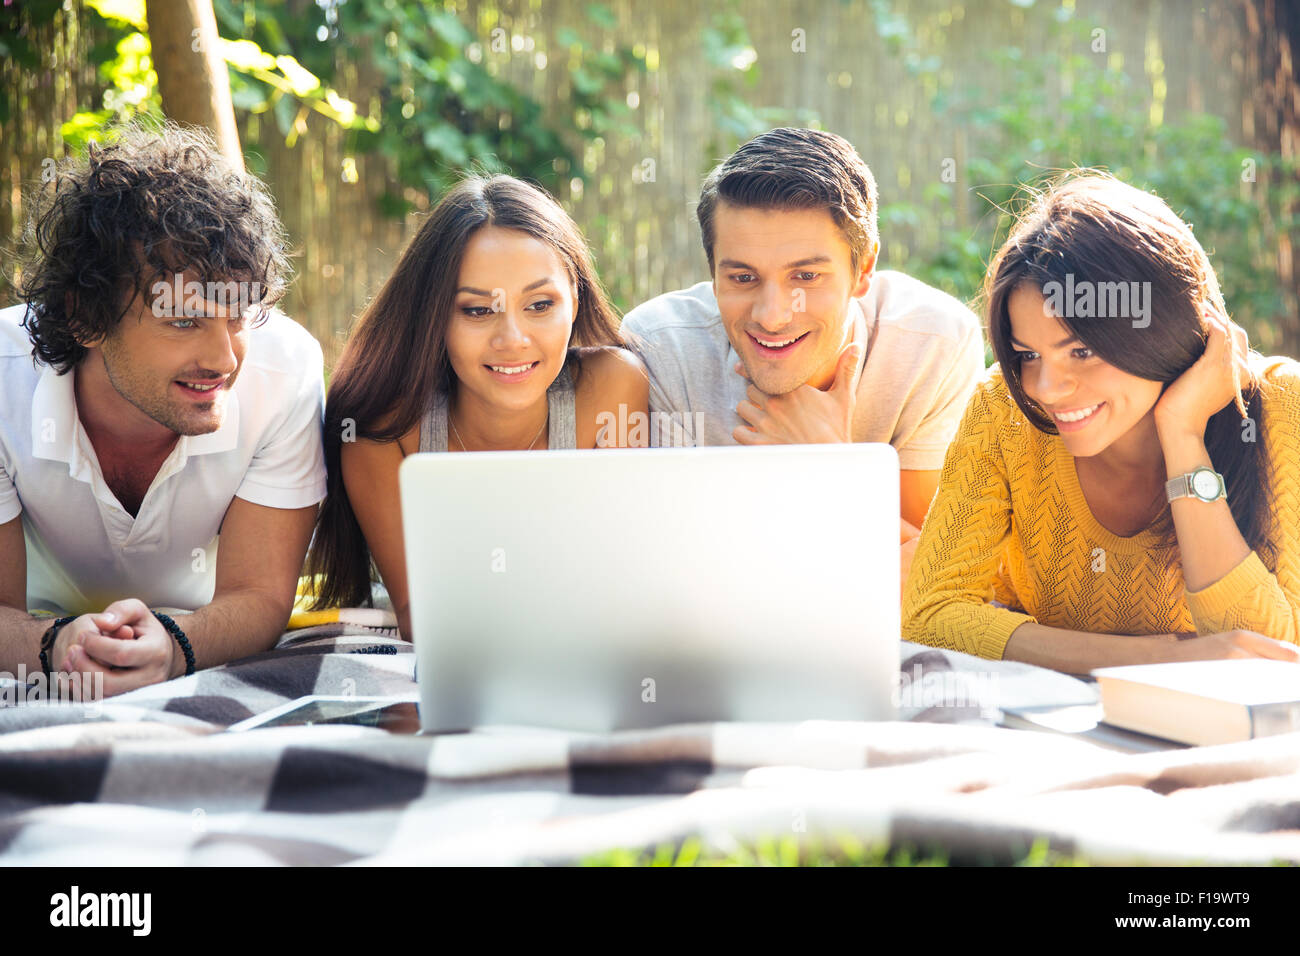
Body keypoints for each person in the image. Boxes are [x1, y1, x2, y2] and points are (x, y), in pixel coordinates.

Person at [903, 171, 1300, 671]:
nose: (1045, 388)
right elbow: (931, 614)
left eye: (1082, 350)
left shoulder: (1283, 407)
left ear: (1166, 328)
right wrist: (1158, 657)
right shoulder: (1004, 410)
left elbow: (1266, 662)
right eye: (1027, 354)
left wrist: (1182, 434)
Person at [0, 122, 327, 696]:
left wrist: (175, 646)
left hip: (199, 635)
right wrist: (63, 645)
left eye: (236, 317)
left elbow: (260, 597)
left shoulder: (286, 369)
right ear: (85, 317)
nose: (225, 358)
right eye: (183, 322)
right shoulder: (4, 379)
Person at [619, 128, 985, 590]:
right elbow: (663, 573)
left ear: (863, 269)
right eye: (743, 277)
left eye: (806, 276)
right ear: (712, 273)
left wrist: (831, 469)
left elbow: (931, 584)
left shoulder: (932, 344)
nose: (772, 316)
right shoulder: (659, 346)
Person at [305, 175, 649, 638]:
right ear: (434, 316)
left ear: (575, 296)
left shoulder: (612, 388)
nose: (512, 339)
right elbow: (421, 616)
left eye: (540, 304)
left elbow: (623, 584)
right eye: (477, 310)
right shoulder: (381, 430)